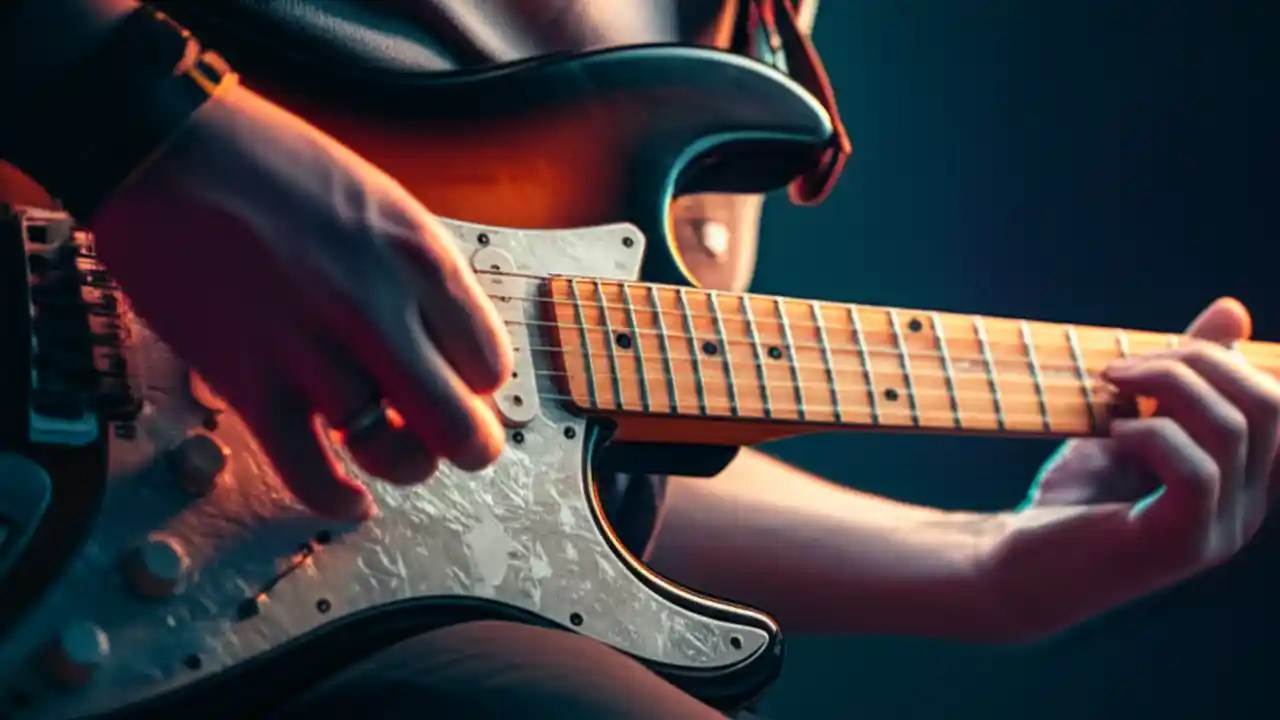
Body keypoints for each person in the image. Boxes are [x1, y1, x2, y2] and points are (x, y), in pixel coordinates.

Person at [2, 2, 1277, 718]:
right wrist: (153, 131)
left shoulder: (756, 25)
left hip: (187, 594)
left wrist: (981, 568)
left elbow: (534, 433)